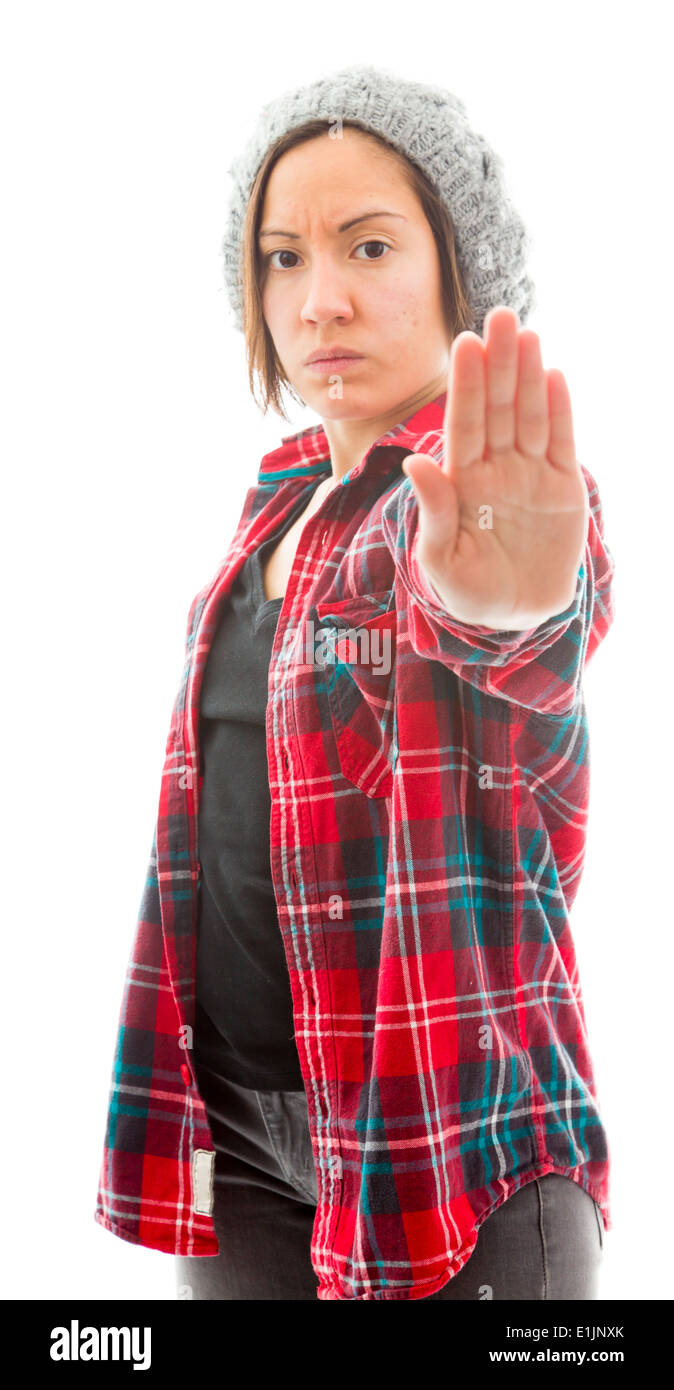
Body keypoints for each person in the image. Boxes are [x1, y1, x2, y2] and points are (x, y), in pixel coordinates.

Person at [94, 64, 615, 1301]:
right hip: (238, 1141)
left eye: (367, 246)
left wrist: (504, 607)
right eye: (282, 257)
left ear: (457, 267)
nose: (317, 298)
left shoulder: (479, 504)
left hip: (450, 1144)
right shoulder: (276, 502)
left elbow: (517, 623)